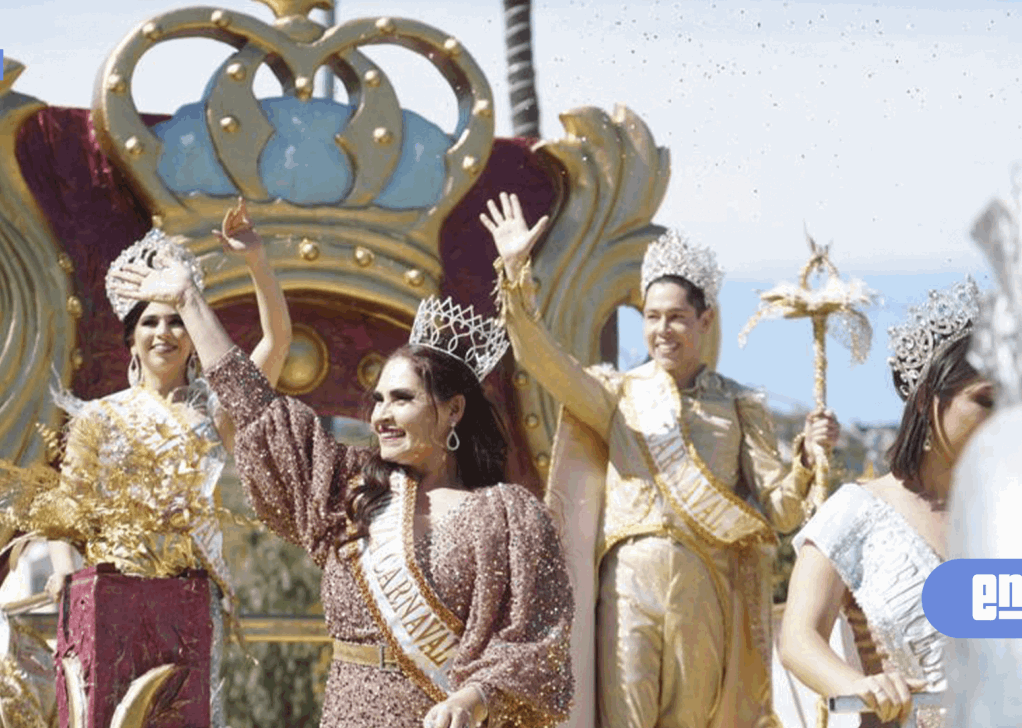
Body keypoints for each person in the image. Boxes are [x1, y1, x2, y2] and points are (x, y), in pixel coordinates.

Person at [108, 254, 575, 728]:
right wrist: (190, 301)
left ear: (453, 409)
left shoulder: (509, 515)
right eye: (378, 400)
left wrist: (473, 697)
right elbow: (260, 413)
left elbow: (536, 641)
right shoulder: (352, 487)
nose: (380, 416)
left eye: (402, 399)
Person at [484, 192, 839, 728]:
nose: (662, 330)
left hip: (707, 587)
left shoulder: (740, 406)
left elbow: (783, 512)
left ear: (705, 320)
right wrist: (514, 274)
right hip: (627, 581)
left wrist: (809, 459)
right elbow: (540, 359)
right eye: (652, 317)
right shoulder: (616, 393)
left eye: (676, 317)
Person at [45, 198, 292, 725]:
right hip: (109, 607)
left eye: (177, 321)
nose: (164, 332)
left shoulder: (215, 411)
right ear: (131, 338)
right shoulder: (97, 418)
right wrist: (69, 589)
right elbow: (63, 524)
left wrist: (257, 261)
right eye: (150, 322)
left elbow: (278, 341)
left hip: (187, 606)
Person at [779, 278, 990, 728]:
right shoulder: (856, 511)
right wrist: (855, 684)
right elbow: (798, 638)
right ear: (928, 402)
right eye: (986, 401)